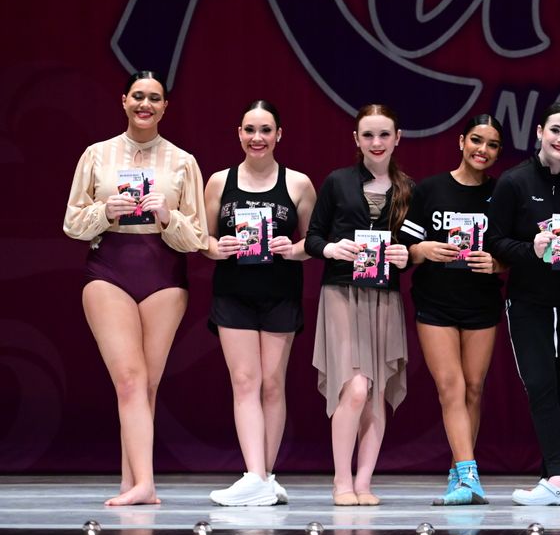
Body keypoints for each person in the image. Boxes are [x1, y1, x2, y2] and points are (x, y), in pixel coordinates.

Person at [64, 70, 207, 506]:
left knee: (145, 385)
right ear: (124, 100)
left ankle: (133, 481)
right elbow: (72, 222)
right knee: (128, 379)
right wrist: (106, 210)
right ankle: (145, 485)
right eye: (138, 96)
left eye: (155, 99)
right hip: (109, 267)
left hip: (163, 273)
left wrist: (168, 217)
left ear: (166, 107)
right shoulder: (96, 155)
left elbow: (197, 237)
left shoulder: (183, 161)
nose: (146, 104)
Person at [202, 100, 315, 507]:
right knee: (245, 381)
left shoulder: (299, 184)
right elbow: (205, 240)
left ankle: (265, 476)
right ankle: (255, 475)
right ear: (239, 133)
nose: (257, 138)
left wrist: (293, 247)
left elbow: (312, 243)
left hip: (280, 292)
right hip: (233, 292)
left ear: (279, 134)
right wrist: (218, 248)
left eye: (265, 130)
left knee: (271, 384)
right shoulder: (219, 181)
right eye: (250, 129)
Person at [303, 104, 414, 506]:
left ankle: (364, 482)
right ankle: (341, 481)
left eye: (384, 134)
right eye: (368, 135)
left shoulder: (407, 189)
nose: (377, 143)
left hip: (384, 297)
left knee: (377, 389)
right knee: (354, 387)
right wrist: (333, 247)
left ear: (398, 138)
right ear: (356, 139)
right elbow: (313, 238)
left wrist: (406, 255)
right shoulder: (337, 182)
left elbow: (413, 245)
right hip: (341, 293)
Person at [398, 114, 505, 505]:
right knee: (451, 388)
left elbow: (513, 250)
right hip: (436, 302)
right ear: (461, 141)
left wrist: (498, 263)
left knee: (473, 389)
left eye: (492, 145)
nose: (483, 150)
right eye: (477, 140)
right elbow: (402, 250)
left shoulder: (501, 193)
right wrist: (421, 251)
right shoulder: (430, 189)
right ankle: (468, 476)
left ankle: (461, 473)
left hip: (481, 302)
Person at [493, 102, 560, 506]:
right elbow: (494, 241)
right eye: (556, 130)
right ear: (539, 131)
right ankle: (559, 476)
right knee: (540, 385)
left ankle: (551, 477)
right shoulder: (513, 182)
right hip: (529, 302)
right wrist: (529, 248)